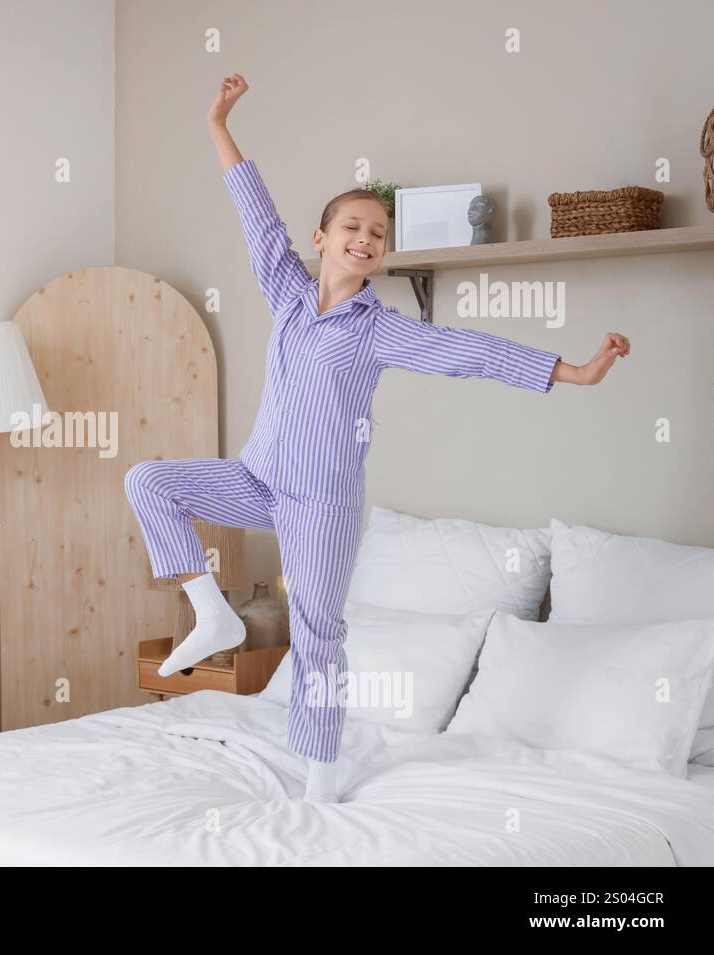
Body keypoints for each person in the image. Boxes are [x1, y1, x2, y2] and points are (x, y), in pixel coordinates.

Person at [124, 74, 630, 802]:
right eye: (353, 228)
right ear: (321, 240)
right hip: (259, 477)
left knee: (317, 631)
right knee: (148, 481)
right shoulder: (288, 295)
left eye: (379, 235)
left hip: (322, 503)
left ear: (382, 255)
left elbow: (470, 352)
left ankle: (321, 777)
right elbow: (255, 212)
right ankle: (212, 613)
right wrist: (217, 123)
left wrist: (573, 372)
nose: (365, 239)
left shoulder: (380, 331)